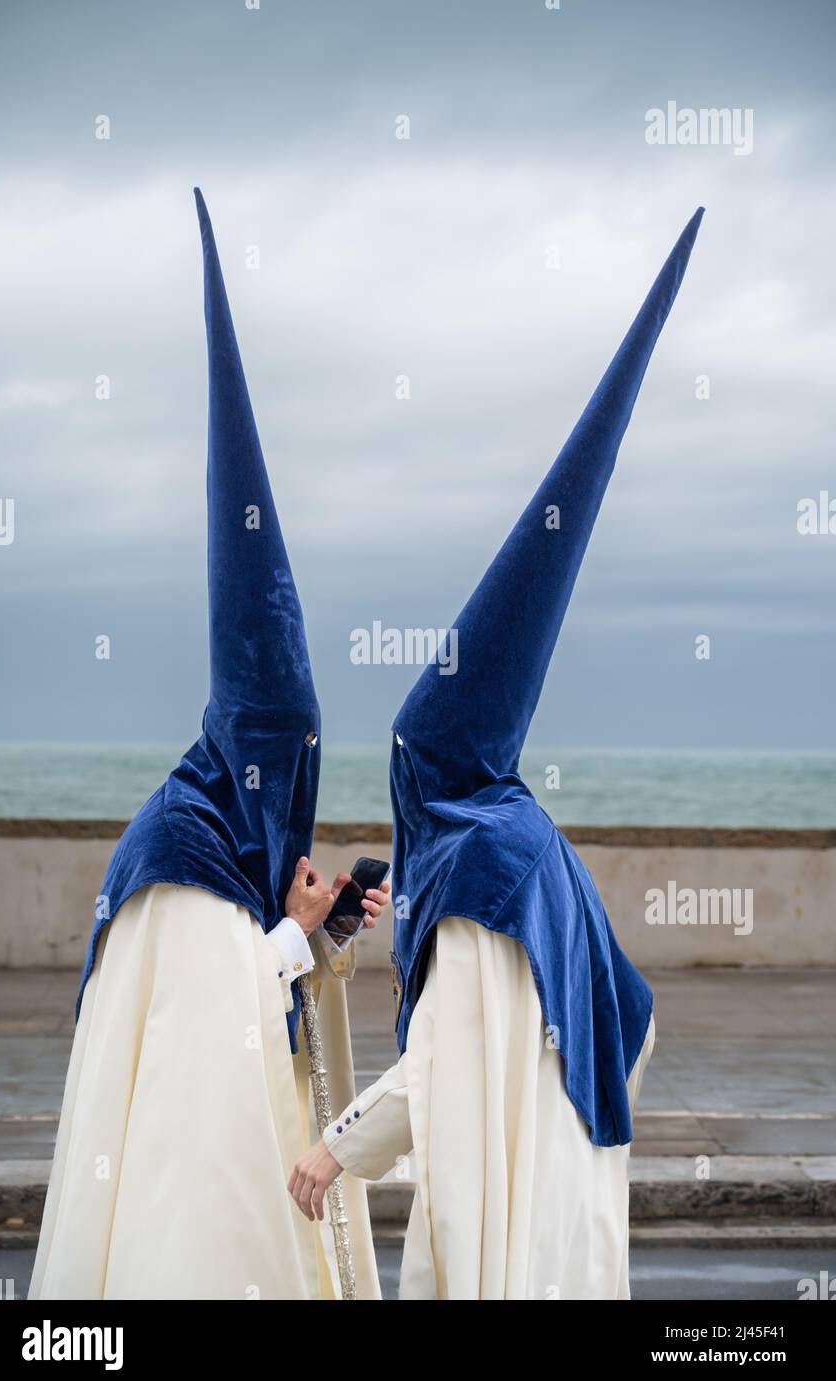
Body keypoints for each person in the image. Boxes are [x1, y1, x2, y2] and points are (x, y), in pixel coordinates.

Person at [289, 208, 705, 1300]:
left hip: (504, 1218)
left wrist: (338, 1145)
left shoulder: (472, 867)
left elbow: (444, 1077)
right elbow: (636, 1020)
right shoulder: (536, 843)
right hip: (572, 1193)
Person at [29, 189, 389, 1301]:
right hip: (201, 1196)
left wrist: (321, 940)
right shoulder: (185, 844)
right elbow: (211, 1047)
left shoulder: (229, 837)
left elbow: (269, 994)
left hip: (260, 1162)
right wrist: (292, 931)